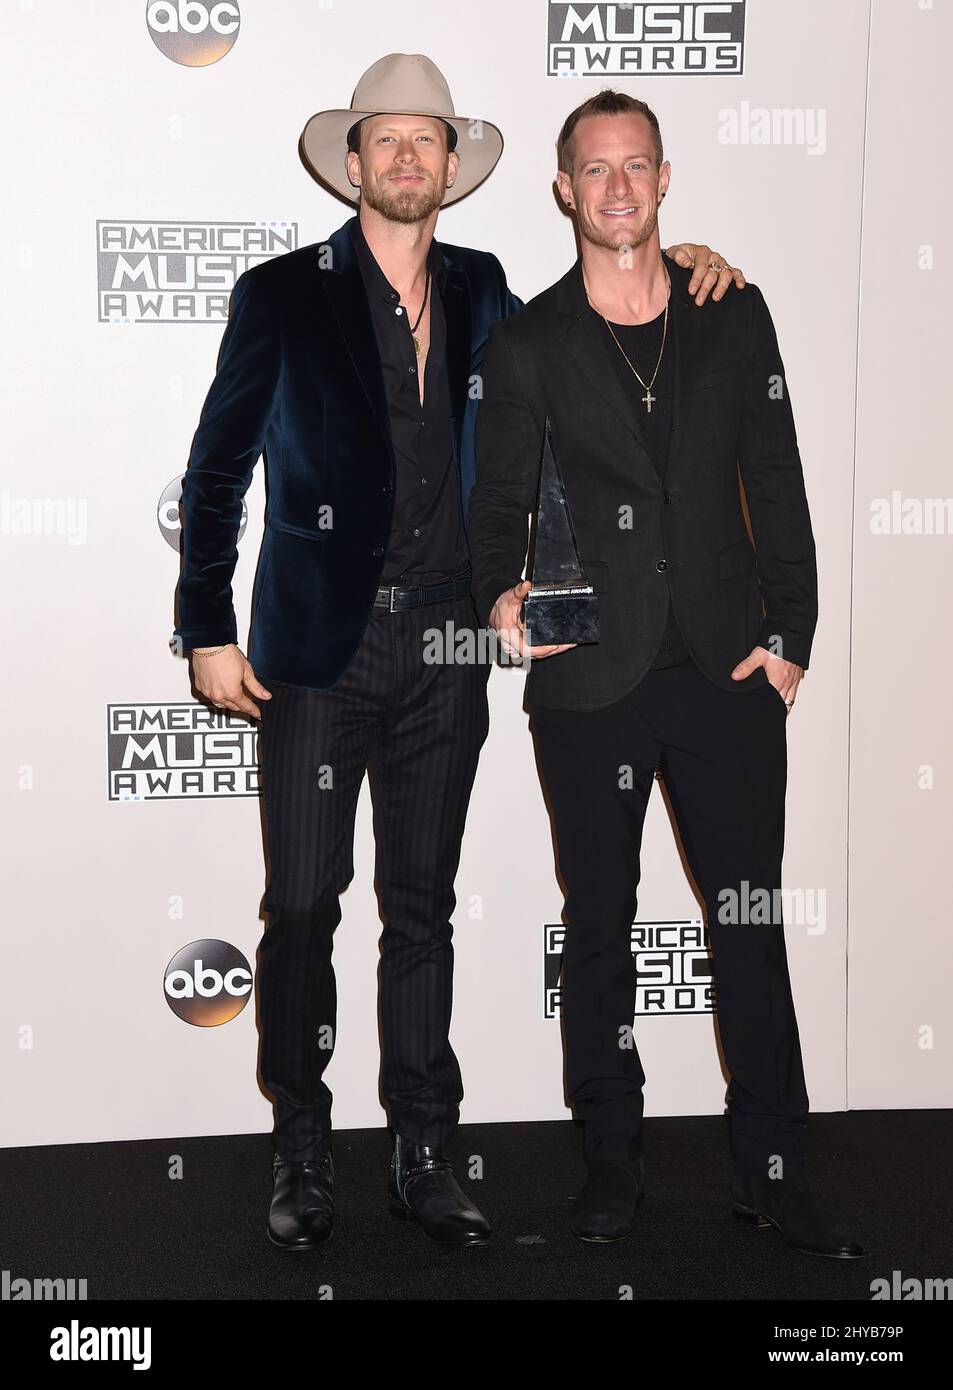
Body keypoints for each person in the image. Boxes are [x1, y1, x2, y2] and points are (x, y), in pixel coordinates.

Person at [173, 56, 744, 1251]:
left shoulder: (488, 291)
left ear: (449, 165)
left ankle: (426, 1154)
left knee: (420, 907)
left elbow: (602, 316)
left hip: (444, 647)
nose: (403, 159)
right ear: (352, 161)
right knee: (300, 905)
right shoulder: (283, 293)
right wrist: (206, 626)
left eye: (423, 140)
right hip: (314, 656)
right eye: (382, 140)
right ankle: (302, 1148)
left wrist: (689, 263)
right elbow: (219, 470)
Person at [467, 89, 865, 1258]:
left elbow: (778, 482)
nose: (618, 187)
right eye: (595, 169)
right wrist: (499, 595)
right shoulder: (529, 342)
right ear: (563, 190)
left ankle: (775, 1175)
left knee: (745, 922)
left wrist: (790, 638)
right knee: (599, 925)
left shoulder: (731, 316)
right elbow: (496, 512)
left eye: (635, 165)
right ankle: (608, 1166)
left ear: (664, 177)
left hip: (722, 670)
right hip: (590, 679)